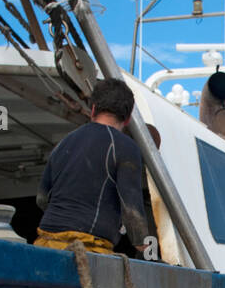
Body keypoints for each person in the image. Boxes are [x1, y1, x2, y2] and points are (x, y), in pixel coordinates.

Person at [34, 78, 149, 254]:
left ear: (93, 109)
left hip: (45, 244)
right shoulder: (126, 147)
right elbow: (131, 210)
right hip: (87, 248)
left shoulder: (64, 142)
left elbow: (42, 198)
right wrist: (144, 246)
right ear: (127, 118)